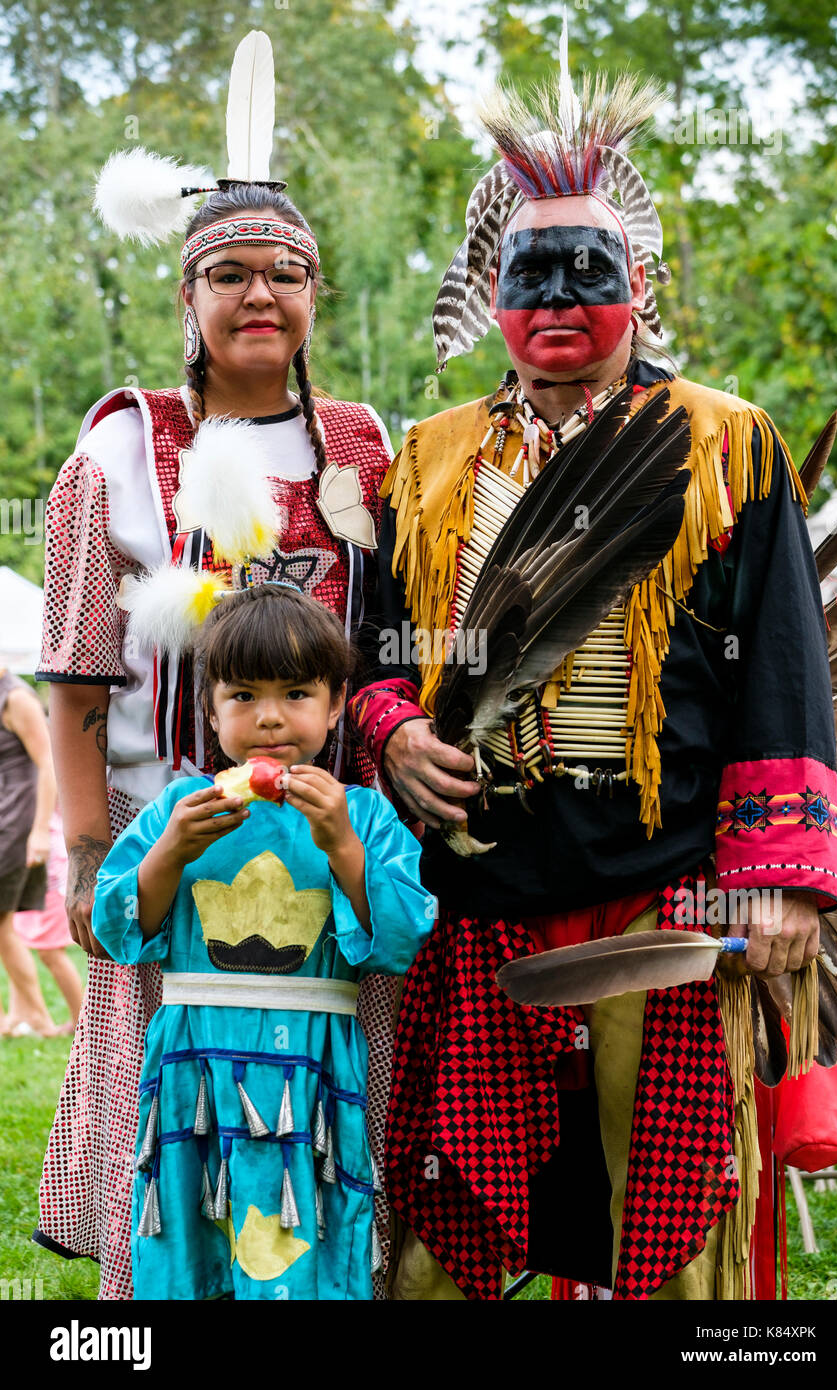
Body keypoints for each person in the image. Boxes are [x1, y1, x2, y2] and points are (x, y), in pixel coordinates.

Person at [349, 41, 837, 1300]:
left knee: (669, 1226)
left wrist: (778, 879)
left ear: (639, 284)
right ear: (487, 291)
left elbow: (777, 665)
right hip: (478, 894)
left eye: (591, 270)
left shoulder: (723, 444)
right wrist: (395, 730)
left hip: (661, 894)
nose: (559, 296)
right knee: (453, 1219)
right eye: (530, 271)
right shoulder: (426, 460)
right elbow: (373, 650)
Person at [35, 31, 394, 1299]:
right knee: (168, 1142)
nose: (258, 297)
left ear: (316, 296)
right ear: (186, 297)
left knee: (319, 1146)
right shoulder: (118, 456)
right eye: (228, 275)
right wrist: (87, 853)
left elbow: (395, 645)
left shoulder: (361, 449)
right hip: (166, 841)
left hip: (321, 849)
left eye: (284, 274)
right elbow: (75, 677)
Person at [90, 585, 432, 1299]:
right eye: (242, 695)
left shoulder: (363, 814)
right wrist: (167, 857)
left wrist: (341, 844)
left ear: (337, 704)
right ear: (210, 710)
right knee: (194, 1243)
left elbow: (399, 940)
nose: (270, 717)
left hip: (309, 1074)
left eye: (296, 693)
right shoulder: (178, 811)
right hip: (198, 1071)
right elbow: (119, 929)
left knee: (301, 1247)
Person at [0, 668, 58, 1038]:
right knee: (6, 923)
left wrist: (39, 831)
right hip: (6, 817)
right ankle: (21, 1013)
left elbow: (50, 762)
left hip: (18, 822)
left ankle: (37, 1015)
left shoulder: (17, 698)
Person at [13, 810, 82, 1035]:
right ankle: (23, 1014)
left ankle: (81, 1022)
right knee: (20, 941)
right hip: (34, 863)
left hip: (49, 870)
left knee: (50, 952)